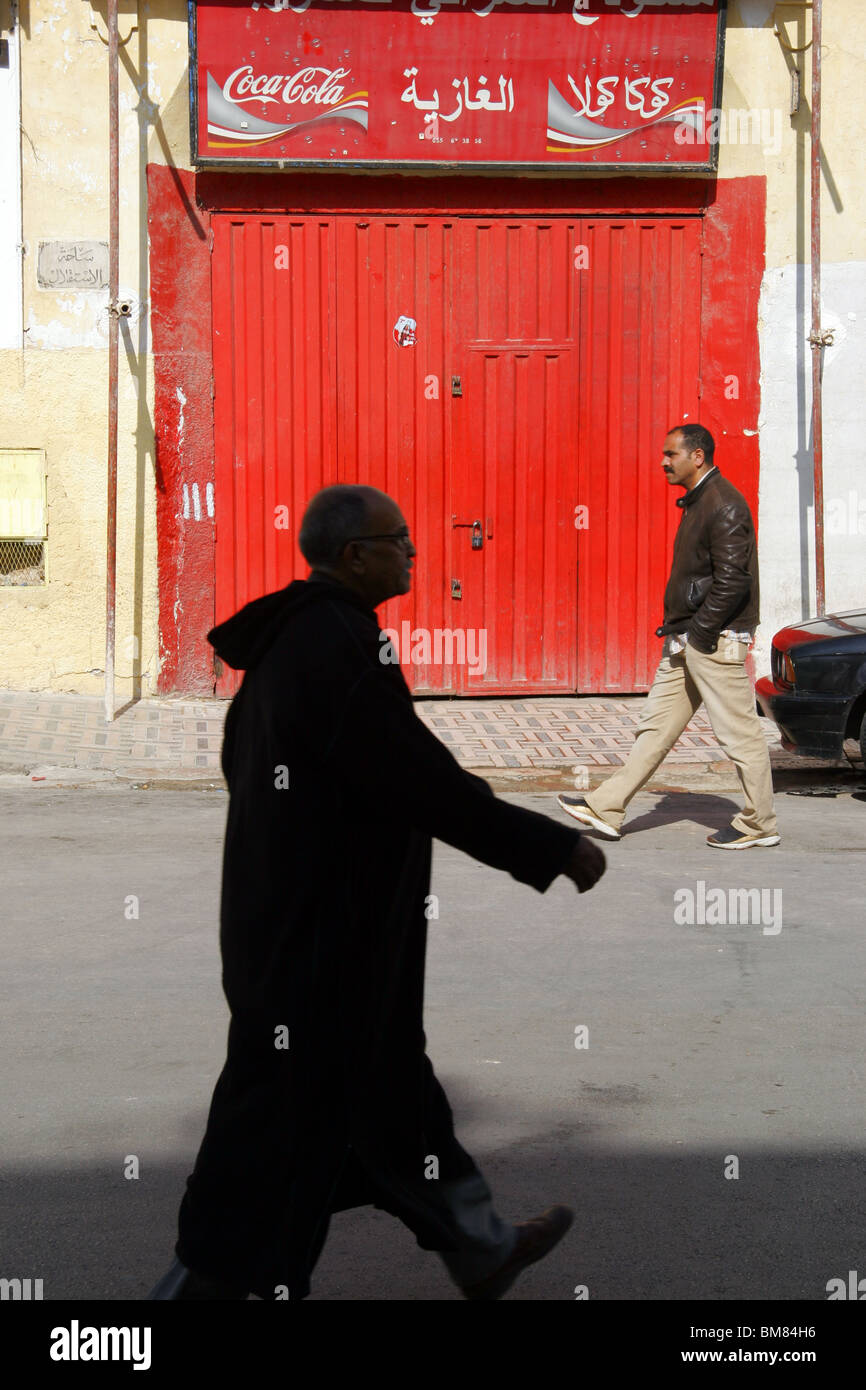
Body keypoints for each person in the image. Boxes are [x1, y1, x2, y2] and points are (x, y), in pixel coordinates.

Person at [148, 484, 606, 1302]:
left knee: (389, 1098)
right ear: (355, 556)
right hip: (321, 942)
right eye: (398, 540)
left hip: (307, 929)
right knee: (273, 1126)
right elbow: (419, 779)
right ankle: (192, 1292)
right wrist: (551, 846)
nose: (413, 552)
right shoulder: (330, 646)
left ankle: (481, 1246)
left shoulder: (303, 639)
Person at [559, 424, 779, 850]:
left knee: (740, 736)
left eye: (670, 454)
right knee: (655, 729)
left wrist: (700, 632)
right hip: (688, 639)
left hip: (714, 640)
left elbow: (733, 581)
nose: (663, 462)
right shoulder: (700, 501)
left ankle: (759, 823)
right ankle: (607, 806)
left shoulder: (724, 505)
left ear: (697, 457)